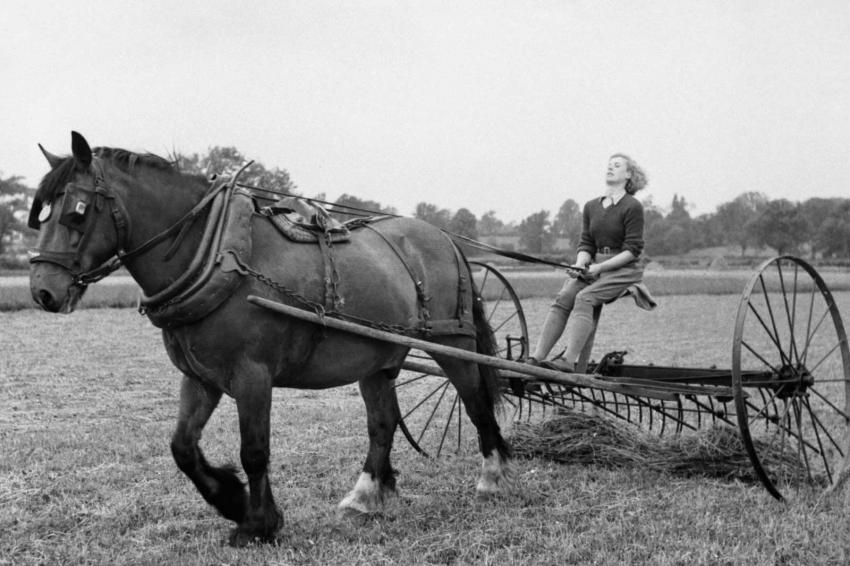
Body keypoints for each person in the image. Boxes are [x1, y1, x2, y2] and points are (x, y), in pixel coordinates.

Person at [527, 153, 654, 371]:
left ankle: (568, 360)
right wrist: (580, 263)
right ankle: (536, 358)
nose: (610, 168)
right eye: (609, 165)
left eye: (617, 166)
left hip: (623, 270)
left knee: (584, 298)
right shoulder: (591, 207)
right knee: (564, 297)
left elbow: (632, 250)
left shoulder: (632, 206)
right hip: (594, 266)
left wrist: (601, 267)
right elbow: (586, 243)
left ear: (629, 175)